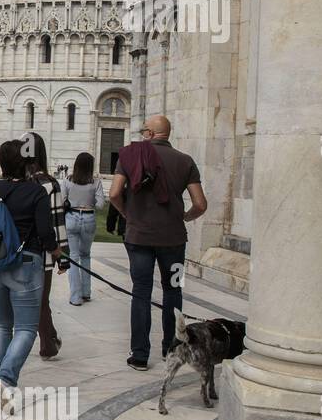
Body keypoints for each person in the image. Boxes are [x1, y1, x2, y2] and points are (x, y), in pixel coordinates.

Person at [109, 115, 207, 370]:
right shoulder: (186, 161)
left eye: (144, 131)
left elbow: (114, 193)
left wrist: (128, 214)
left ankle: (140, 355)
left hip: (139, 237)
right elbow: (200, 204)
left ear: (150, 134)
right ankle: (171, 349)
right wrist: (184, 217)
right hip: (174, 240)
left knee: (140, 292)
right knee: (174, 291)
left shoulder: (130, 156)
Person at [0, 140, 61, 411]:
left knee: (1, 324)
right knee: (25, 328)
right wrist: (56, 251)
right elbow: (46, 233)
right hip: (24, 265)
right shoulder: (35, 193)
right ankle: (5, 379)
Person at [20, 131, 69, 361]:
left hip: (18, 251)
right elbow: (57, 221)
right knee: (41, 300)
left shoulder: (16, 182)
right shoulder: (50, 184)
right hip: (44, 252)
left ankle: (49, 340)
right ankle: (48, 344)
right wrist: (63, 256)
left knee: (30, 301)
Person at [61, 152, 105, 306]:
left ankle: (75, 296)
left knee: (73, 257)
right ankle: (86, 292)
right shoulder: (95, 182)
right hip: (88, 218)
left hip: (71, 217)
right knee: (85, 255)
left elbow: (62, 200)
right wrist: (90, 200)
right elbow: (100, 204)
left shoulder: (67, 180)